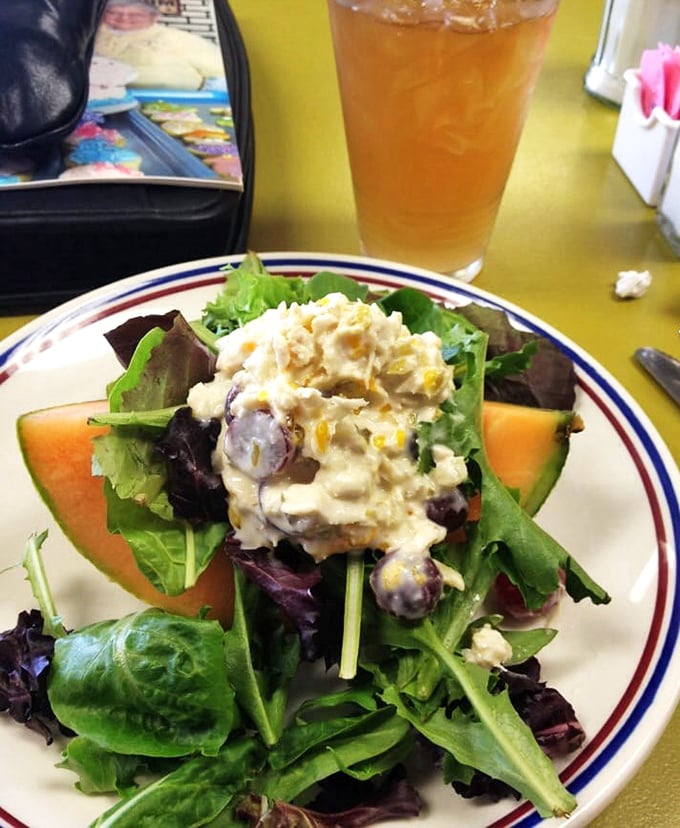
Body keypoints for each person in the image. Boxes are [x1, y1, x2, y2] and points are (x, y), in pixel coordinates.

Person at [95, 0, 225, 91]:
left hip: (172, 105)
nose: (124, 18)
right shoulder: (88, 36)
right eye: (113, 13)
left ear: (155, 17)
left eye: (136, 15)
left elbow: (220, 75)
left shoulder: (180, 39)